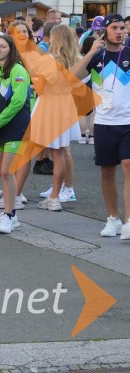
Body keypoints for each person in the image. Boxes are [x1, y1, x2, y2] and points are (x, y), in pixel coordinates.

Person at [71, 14, 130, 238]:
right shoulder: (98, 57)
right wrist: (90, 53)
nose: (119, 31)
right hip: (104, 123)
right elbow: (73, 77)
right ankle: (112, 218)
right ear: (105, 31)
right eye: (115, 27)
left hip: (128, 122)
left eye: (122, 28)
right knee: (107, 171)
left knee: (128, 166)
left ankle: (128, 222)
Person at [32, 25, 80, 212]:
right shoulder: (76, 59)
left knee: (57, 152)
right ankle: (61, 191)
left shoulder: (49, 60)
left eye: (51, 36)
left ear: (56, 39)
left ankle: (55, 196)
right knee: (62, 150)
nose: (49, 39)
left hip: (50, 105)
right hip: (67, 105)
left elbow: (40, 87)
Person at [0, 34, 31, 235]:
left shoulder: (18, 70)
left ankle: (9, 214)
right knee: (2, 170)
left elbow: (17, 102)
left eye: (3, 46)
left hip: (15, 126)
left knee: (6, 171)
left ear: (11, 49)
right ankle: (10, 214)